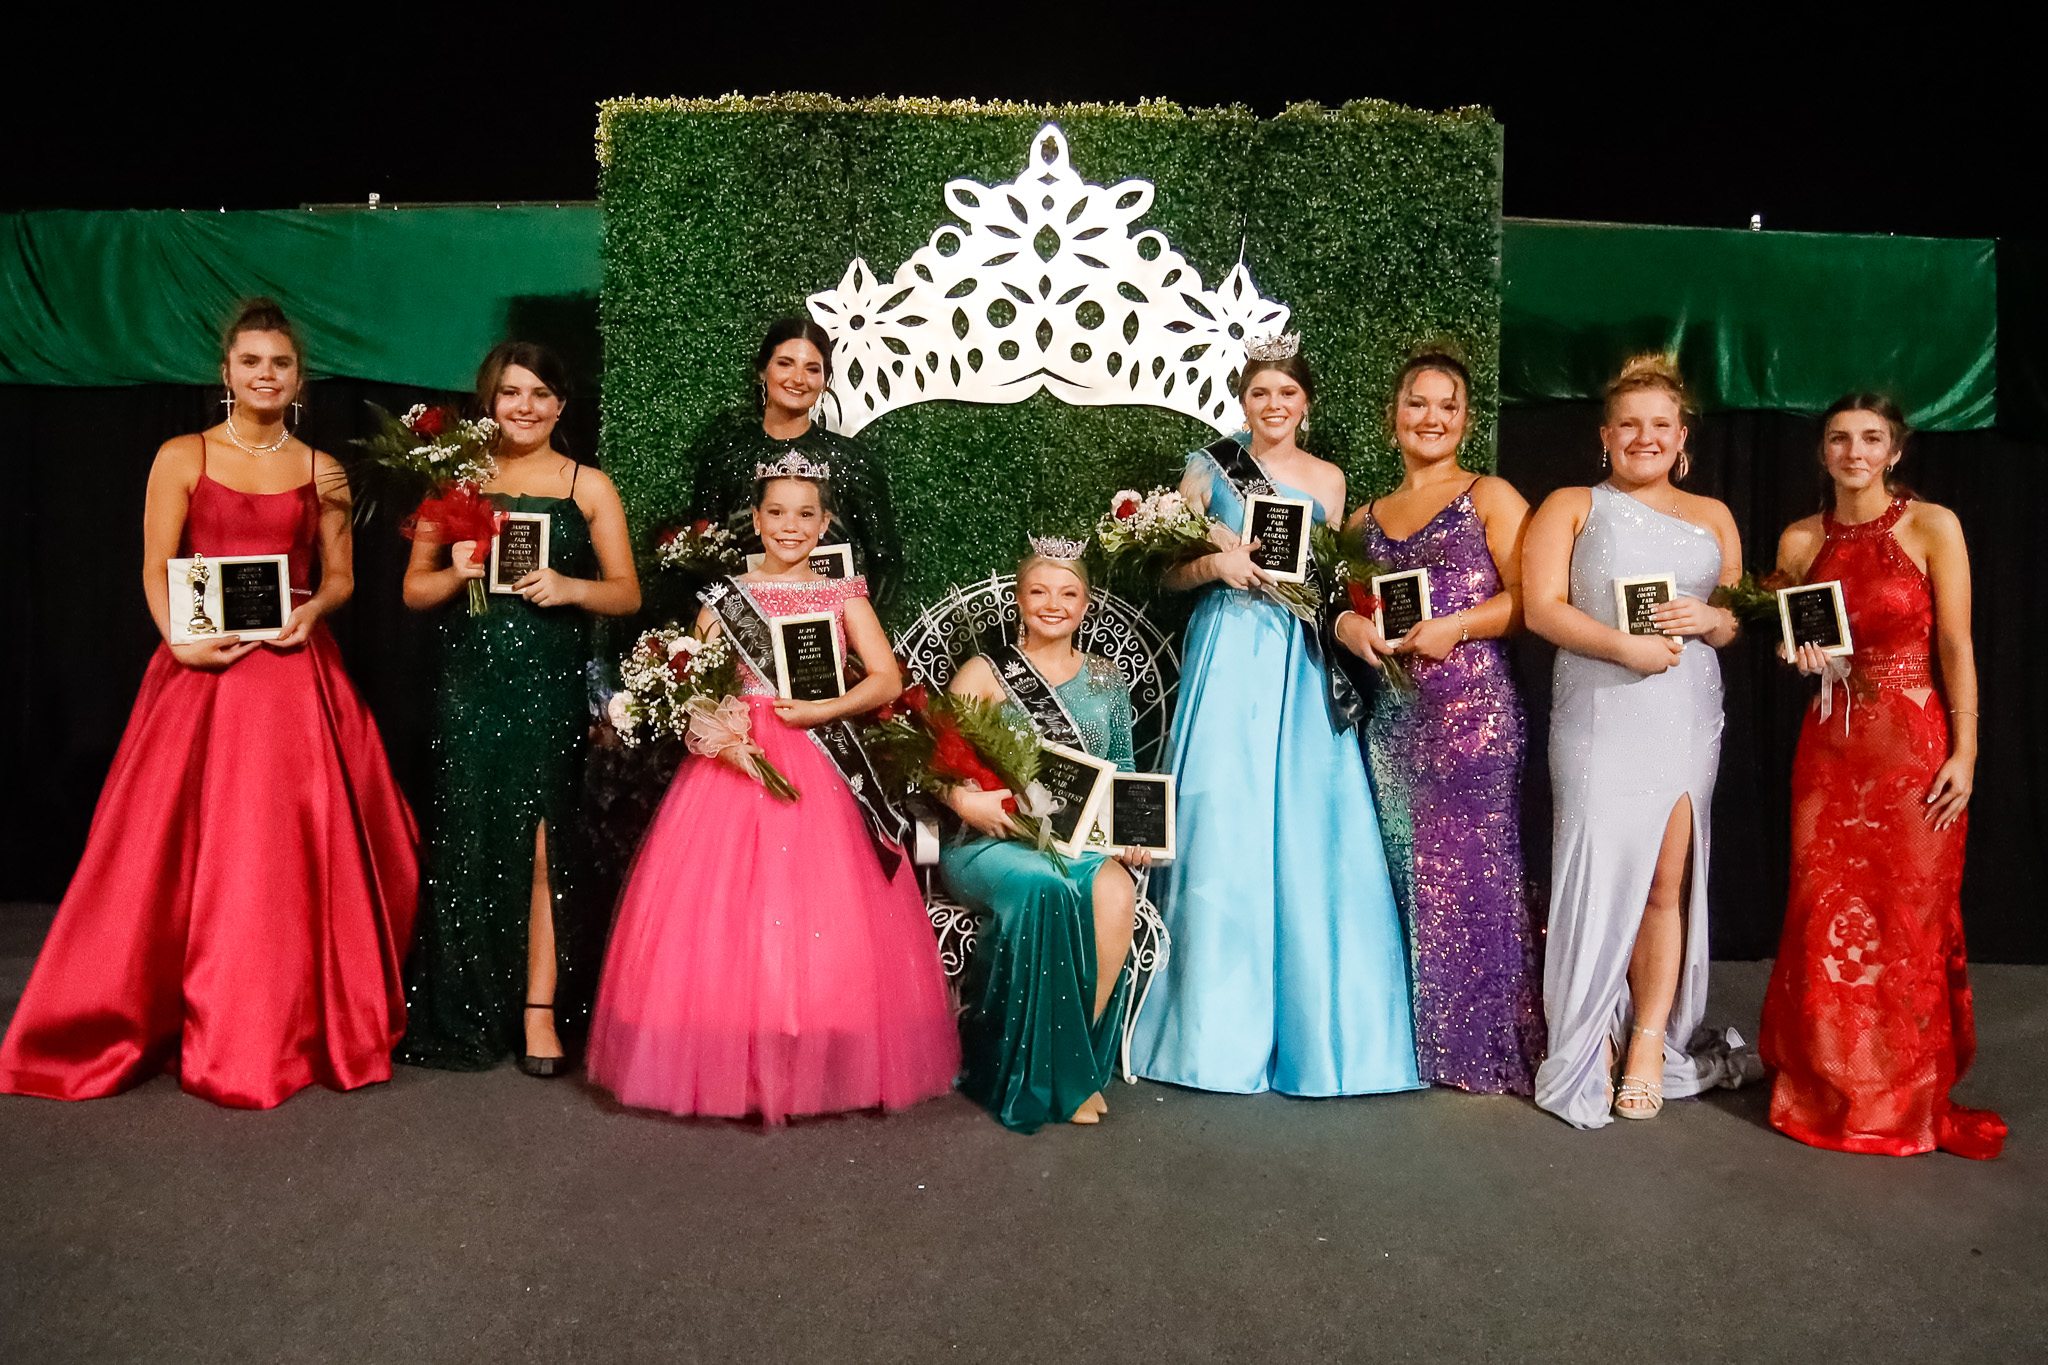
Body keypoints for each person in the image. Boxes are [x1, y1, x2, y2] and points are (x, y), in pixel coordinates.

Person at [0, 298, 417, 1108]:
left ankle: (285, 1019)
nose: (266, 374)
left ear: (299, 378)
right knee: (169, 851)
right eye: (252, 361)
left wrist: (312, 612)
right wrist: (178, 640)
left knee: (283, 850)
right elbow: (157, 565)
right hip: (201, 669)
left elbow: (341, 578)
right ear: (226, 372)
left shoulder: (321, 468)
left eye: (281, 363)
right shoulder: (180, 454)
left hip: (293, 671)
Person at [585, 456, 958, 1123]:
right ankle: (733, 1052)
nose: (791, 527)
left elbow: (886, 678)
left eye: (805, 514)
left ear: (825, 523)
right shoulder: (723, 595)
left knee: (821, 906)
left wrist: (822, 710)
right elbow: (695, 683)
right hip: (735, 761)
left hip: (816, 754)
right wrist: (723, 729)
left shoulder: (843, 592)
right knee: (727, 912)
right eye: (777, 513)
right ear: (755, 520)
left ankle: (809, 1048)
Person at [1127, 340, 1421, 1097]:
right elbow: (1169, 568)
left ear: (1305, 402)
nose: (1274, 404)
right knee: (1222, 814)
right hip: (1226, 645)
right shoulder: (1208, 466)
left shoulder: (1329, 480)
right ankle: (1211, 1028)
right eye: (1260, 391)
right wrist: (1215, 565)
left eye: (1287, 391)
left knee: (1302, 823)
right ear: (1244, 399)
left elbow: (1325, 586)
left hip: (1296, 658)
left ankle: (1317, 1033)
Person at [1757, 396, 2004, 1158]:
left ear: (1894, 450)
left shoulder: (1934, 526)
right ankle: (1828, 1087)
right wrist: (1793, 654)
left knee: (1909, 918)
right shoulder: (1800, 539)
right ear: (1822, 452)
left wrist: (1965, 752)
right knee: (1823, 916)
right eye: (1839, 438)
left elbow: (1956, 645)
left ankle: (1903, 1099)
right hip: (1830, 752)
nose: (1853, 451)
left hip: (1913, 747)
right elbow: (1798, 641)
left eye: (1870, 438)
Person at [1524, 353, 1757, 1127]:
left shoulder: (1714, 514)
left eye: (1660, 425)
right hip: (1597, 708)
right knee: (1594, 876)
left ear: (1682, 435)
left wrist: (1711, 621)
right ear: (1605, 434)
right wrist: (1622, 647)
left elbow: (1732, 618)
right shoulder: (1570, 505)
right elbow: (1541, 608)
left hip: (1684, 711)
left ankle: (1650, 1040)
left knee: (1665, 881)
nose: (1644, 437)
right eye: (1629, 424)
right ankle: (1590, 1036)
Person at [398, 342, 640, 1076]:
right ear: (490, 403)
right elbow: (414, 591)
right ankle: (468, 1002)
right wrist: (458, 572)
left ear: (561, 405)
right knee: (468, 845)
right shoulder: (456, 482)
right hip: (470, 686)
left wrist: (570, 588)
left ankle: (539, 1010)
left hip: (547, 687)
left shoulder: (587, 485)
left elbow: (626, 591)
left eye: (540, 393)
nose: (525, 406)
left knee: (540, 848)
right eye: (510, 393)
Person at [1339, 346, 1544, 1094]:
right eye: (1416, 403)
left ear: (1466, 419)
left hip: (1475, 718)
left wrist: (1456, 627)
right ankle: (1411, 1050)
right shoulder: (1363, 519)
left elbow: (1532, 599)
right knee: (1402, 876)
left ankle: (1479, 1050)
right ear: (1393, 417)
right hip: (1395, 725)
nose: (1431, 417)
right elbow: (1342, 604)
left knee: (1476, 882)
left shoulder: (1489, 495)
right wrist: (1344, 628)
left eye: (1446, 405)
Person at [939, 545, 1150, 1131]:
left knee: (1114, 890)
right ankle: (1047, 1074)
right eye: (1039, 592)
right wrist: (962, 798)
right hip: (989, 842)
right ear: (1018, 599)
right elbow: (933, 764)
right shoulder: (984, 673)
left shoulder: (1107, 680)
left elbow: (1122, 771)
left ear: (1085, 606)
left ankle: (1070, 1064)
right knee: (1041, 885)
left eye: (1068, 594)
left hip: (1074, 843)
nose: (1052, 605)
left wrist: (1135, 834)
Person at [685, 318, 903, 609]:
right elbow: (701, 558)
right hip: (746, 640)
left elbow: (886, 563)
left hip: (833, 643)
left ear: (825, 381)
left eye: (812, 369)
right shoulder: (726, 457)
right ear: (763, 371)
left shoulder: (853, 462)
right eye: (786, 364)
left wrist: (856, 636)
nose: (798, 379)